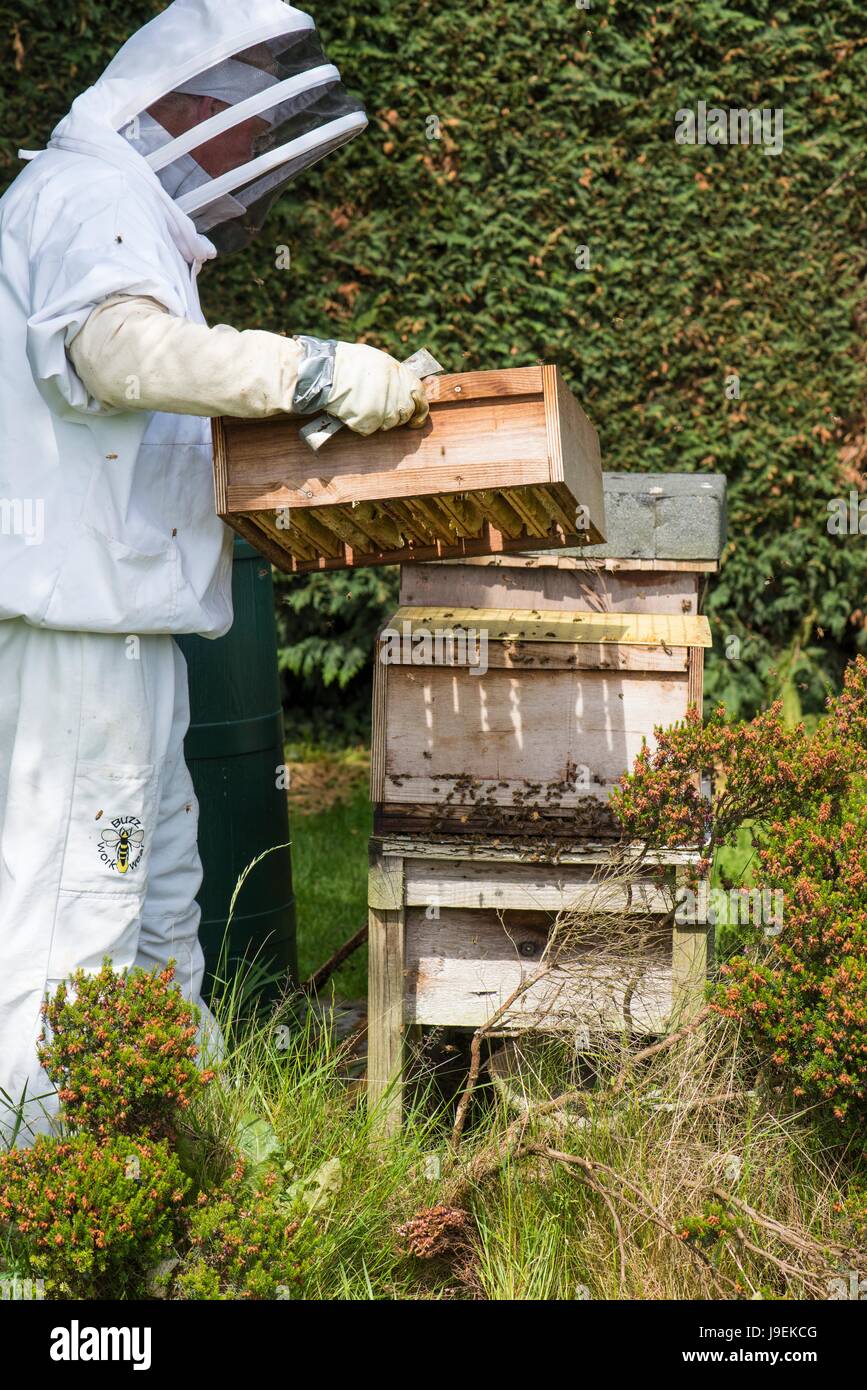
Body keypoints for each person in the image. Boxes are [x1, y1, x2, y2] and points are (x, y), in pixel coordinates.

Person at [0, 0, 428, 1146]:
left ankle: (177, 1175)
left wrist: (322, 429)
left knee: (156, 918)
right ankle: (46, 1221)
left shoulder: (113, 208)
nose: (243, 161)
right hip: (77, 639)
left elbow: (161, 432)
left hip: (128, 636)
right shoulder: (89, 197)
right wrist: (313, 369)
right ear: (182, 106)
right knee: (69, 926)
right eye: (237, 128)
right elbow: (117, 352)